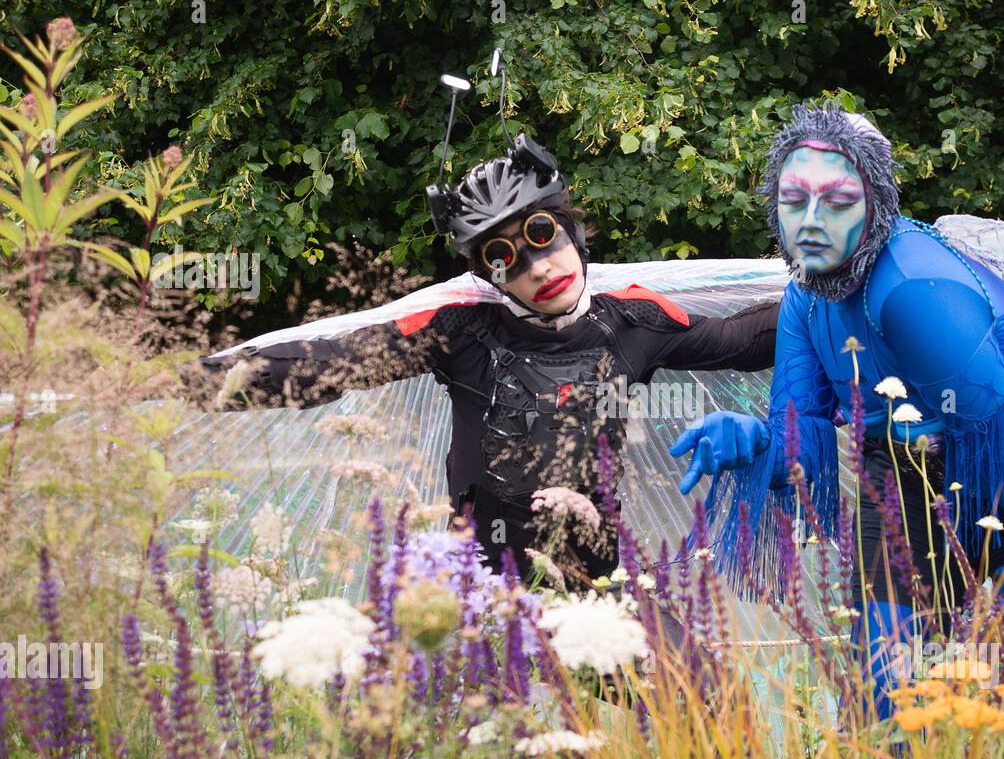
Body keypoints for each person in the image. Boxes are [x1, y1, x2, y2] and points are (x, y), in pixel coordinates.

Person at [670, 102, 1004, 743]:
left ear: (875, 202)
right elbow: (805, 447)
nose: (811, 222)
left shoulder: (913, 286)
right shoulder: (806, 294)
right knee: (885, 695)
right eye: (792, 201)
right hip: (905, 478)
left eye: (837, 200)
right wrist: (753, 442)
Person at [195, 130, 779, 591]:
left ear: (574, 232)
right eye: (507, 259)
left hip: (597, 570)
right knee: (481, 738)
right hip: (481, 580)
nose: (538, 267)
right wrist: (171, 381)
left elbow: (741, 341)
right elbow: (330, 362)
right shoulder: (460, 330)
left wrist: (837, 297)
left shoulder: (633, 320)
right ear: (487, 275)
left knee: (695, 701)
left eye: (542, 233)